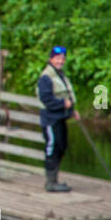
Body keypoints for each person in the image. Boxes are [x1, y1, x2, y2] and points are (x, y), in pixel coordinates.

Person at [37, 45, 79, 193]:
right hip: (50, 119)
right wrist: (63, 104)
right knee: (52, 148)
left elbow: (66, 95)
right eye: (57, 58)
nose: (60, 60)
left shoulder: (60, 75)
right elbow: (46, 99)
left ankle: (55, 179)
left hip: (61, 118)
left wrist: (72, 110)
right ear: (51, 59)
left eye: (62, 58)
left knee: (62, 146)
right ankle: (50, 182)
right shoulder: (46, 77)